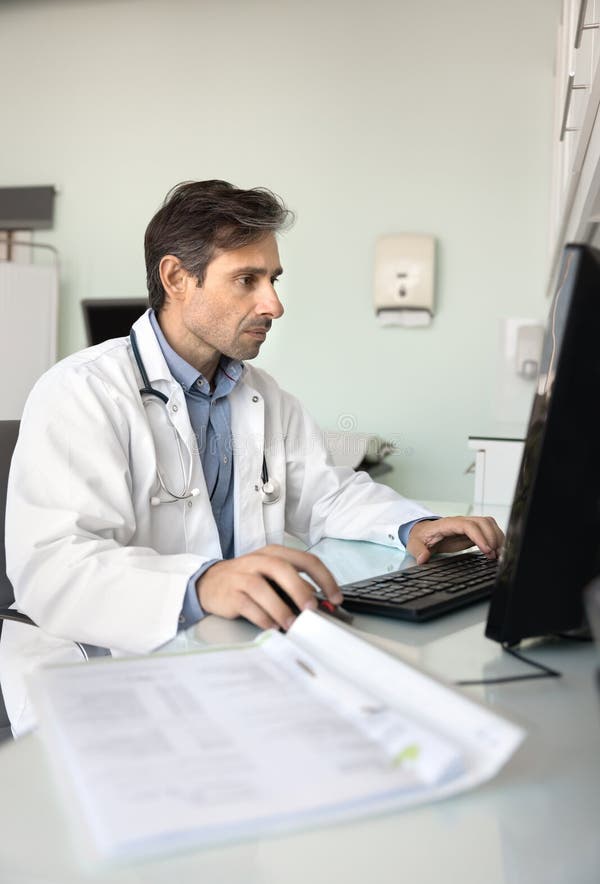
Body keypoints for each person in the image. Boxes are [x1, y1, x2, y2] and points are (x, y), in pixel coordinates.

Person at [0, 180, 504, 736]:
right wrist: (201, 584)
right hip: (97, 668)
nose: (274, 304)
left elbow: (326, 492)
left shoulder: (261, 394)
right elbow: (53, 567)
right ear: (175, 278)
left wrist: (415, 525)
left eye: (273, 279)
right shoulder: (81, 392)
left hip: (225, 653)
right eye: (247, 280)